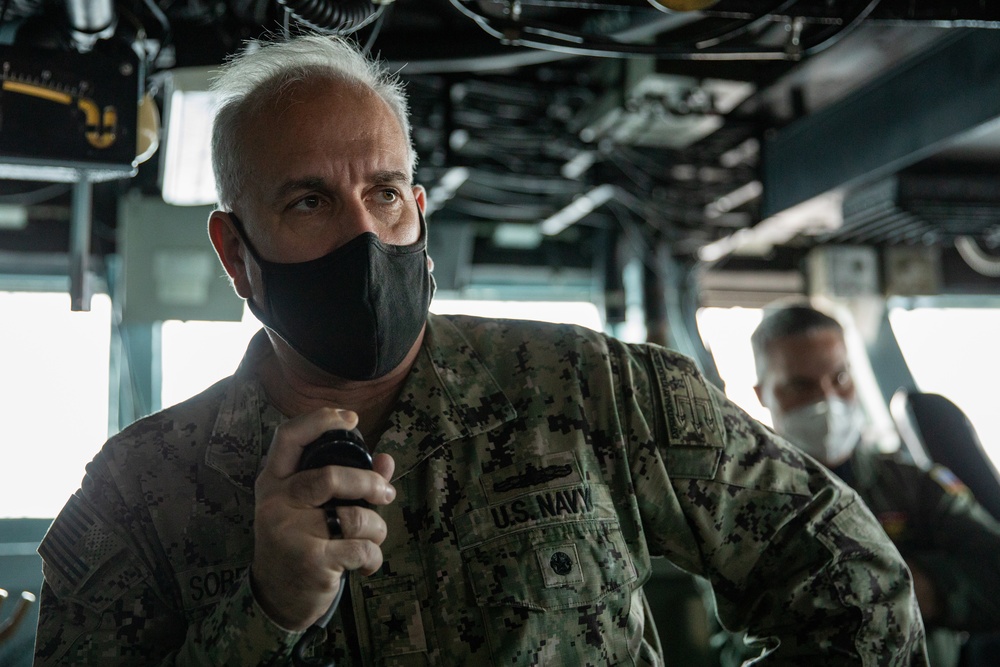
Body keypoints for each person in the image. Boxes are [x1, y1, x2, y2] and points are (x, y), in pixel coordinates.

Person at [34, 35, 928, 665]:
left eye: (384, 193)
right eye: (308, 202)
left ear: (419, 212)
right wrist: (263, 613)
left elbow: (855, 585)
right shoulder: (136, 493)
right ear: (236, 252)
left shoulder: (595, 389)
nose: (364, 235)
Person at [750, 304, 1000, 667]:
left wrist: (909, 588)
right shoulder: (743, 498)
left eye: (839, 379)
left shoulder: (914, 487)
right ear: (763, 395)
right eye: (800, 385)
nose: (826, 400)